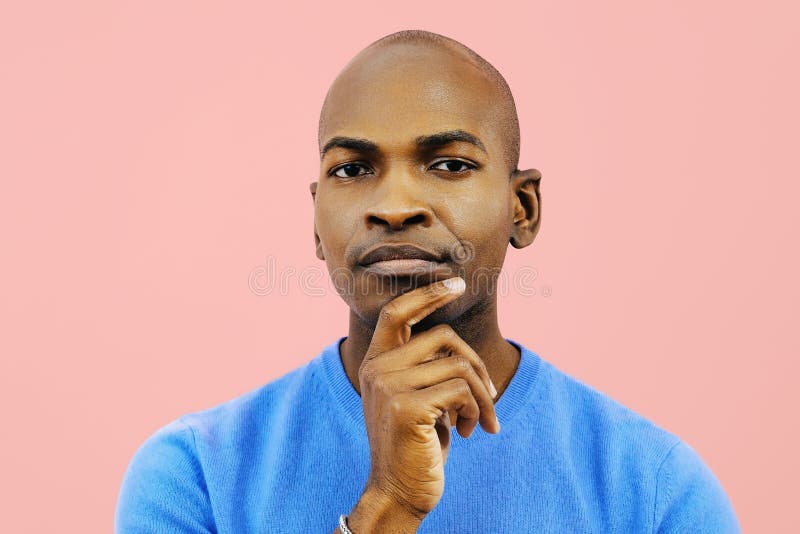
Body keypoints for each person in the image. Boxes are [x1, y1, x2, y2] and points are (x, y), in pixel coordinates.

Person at [114, 29, 740, 533]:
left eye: (449, 164)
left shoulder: (656, 490)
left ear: (522, 209)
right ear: (315, 220)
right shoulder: (194, 475)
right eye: (352, 169)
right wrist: (387, 507)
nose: (394, 207)